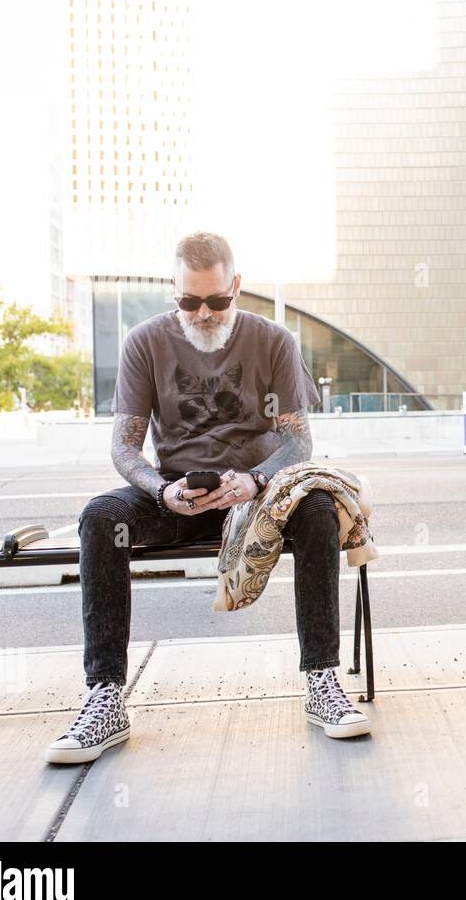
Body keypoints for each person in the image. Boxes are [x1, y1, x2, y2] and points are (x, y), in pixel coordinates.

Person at [45, 232, 369, 765]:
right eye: (189, 301)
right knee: (101, 518)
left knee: (313, 508)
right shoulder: (144, 344)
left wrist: (258, 480)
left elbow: (298, 441)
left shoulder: (274, 341)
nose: (204, 313)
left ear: (236, 287)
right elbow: (124, 446)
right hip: (180, 497)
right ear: (172, 291)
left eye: (217, 301)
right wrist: (162, 490)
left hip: (257, 497)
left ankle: (322, 682)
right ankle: (104, 699)